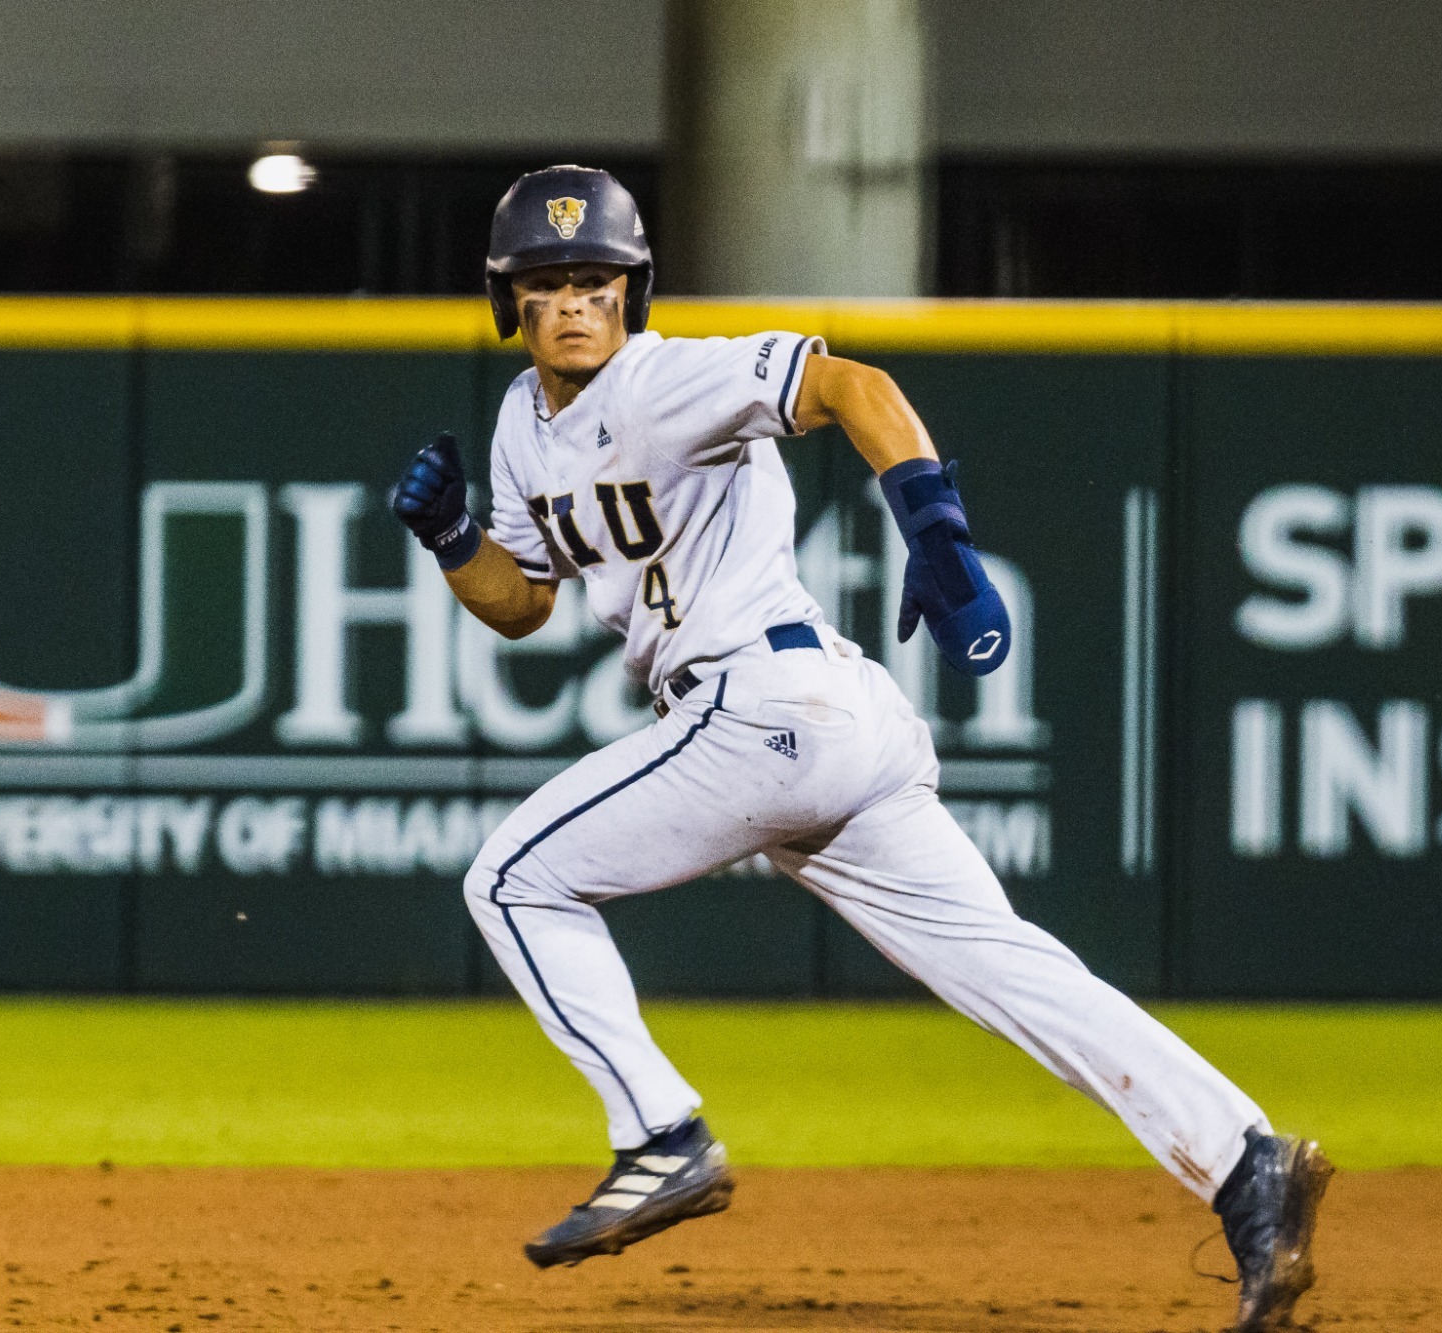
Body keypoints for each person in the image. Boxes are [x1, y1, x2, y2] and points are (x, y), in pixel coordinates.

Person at [390, 165, 1332, 1331]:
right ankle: (1247, 1164)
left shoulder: (664, 376)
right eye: (547, 283)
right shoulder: (522, 427)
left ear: (634, 292)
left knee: (512, 877)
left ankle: (660, 1134)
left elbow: (852, 384)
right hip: (817, 725)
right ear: (509, 303)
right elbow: (525, 603)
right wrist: (449, 537)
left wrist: (935, 529)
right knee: (1007, 967)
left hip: (761, 703)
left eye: (596, 279)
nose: (575, 302)